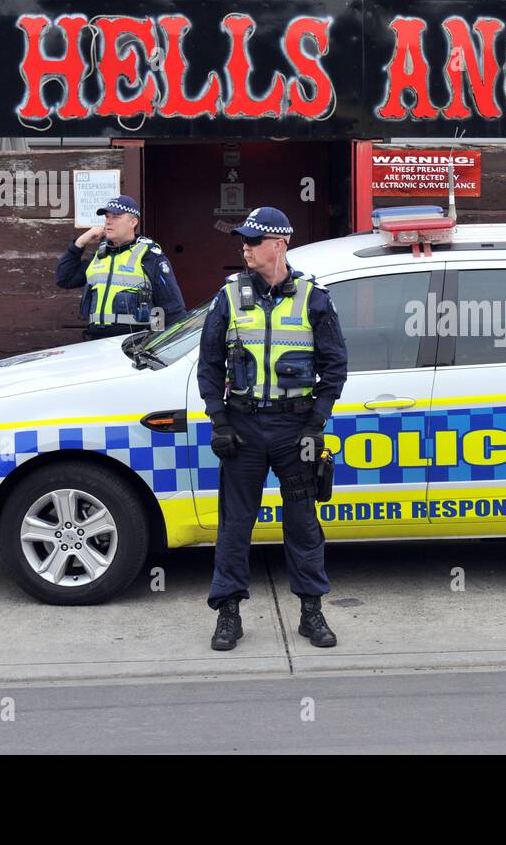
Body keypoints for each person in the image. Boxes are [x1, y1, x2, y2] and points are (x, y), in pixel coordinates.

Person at [197, 206, 348, 651]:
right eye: (243, 240)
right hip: (242, 429)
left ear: (278, 245)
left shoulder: (313, 298)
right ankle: (228, 615)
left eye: (253, 241)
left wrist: (316, 423)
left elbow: (335, 366)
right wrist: (219, 419)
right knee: (234, 526)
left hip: (294, 430)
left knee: (303, 524)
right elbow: (208, 366)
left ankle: (311, 613)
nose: (244, 247)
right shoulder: (227, 297)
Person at [55, 194, 186, 340]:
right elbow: (64, 279)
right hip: (95, 343)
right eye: (107, 217)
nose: (108, 222)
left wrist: (158, 344)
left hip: (134, 346)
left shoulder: (150, 256)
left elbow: (172, 309)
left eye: (116, 217)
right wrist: (80, 242)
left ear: (133, 222)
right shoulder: (100, 256)